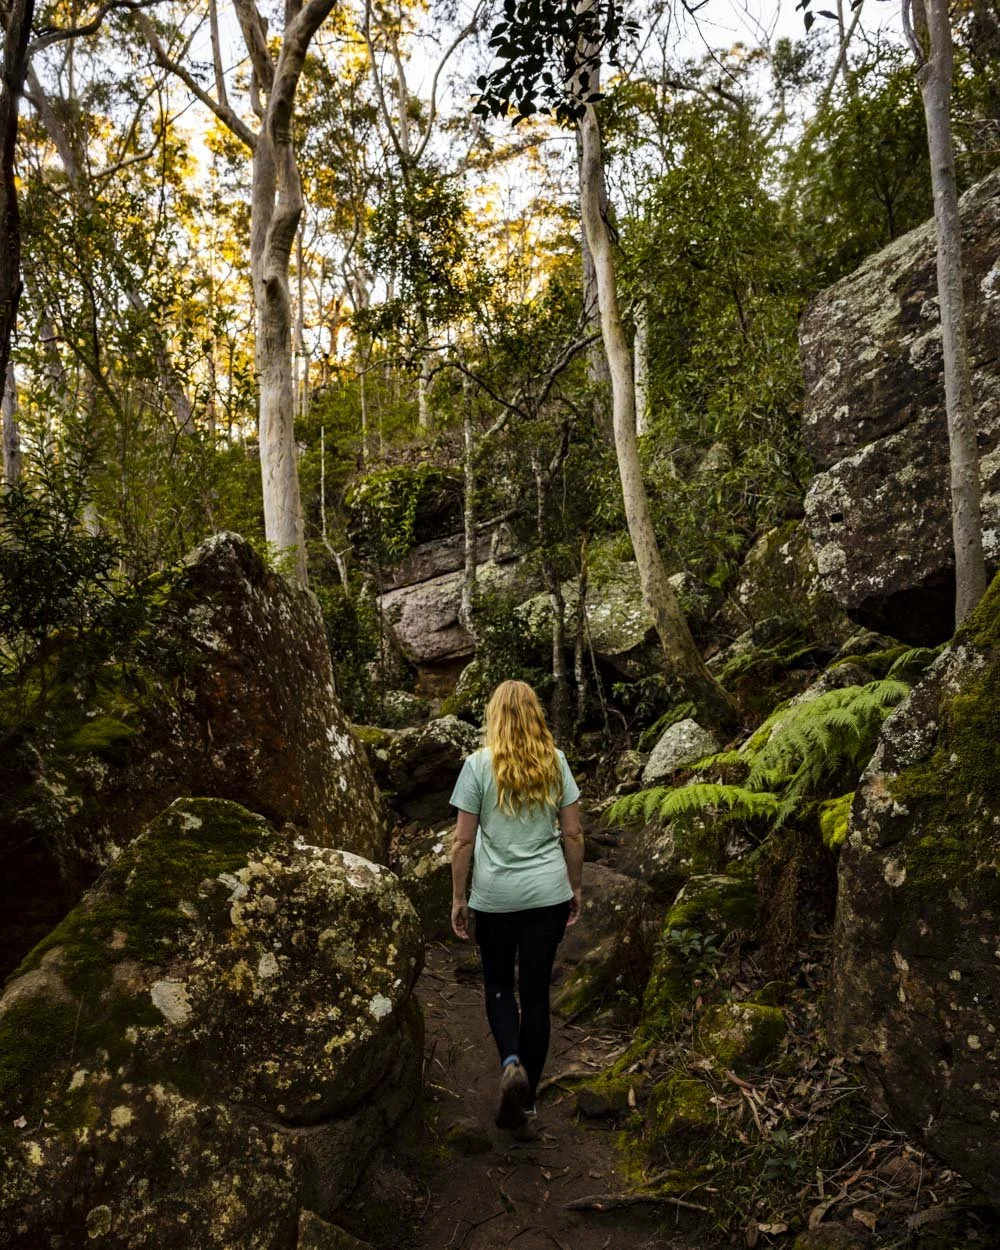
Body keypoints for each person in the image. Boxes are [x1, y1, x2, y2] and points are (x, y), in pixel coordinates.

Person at [449, 679, 585, 1132]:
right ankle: (526, 1106)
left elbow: (462, 841)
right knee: (536, 996)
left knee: (499, 986)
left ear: (494, 716)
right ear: (534, 714)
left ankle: (511, 1064)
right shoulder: (555, 761)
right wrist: (575, 885)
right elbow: (573, 833)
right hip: (547, 895)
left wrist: (458, 897)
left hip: (495, 897)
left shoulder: (477, 766)